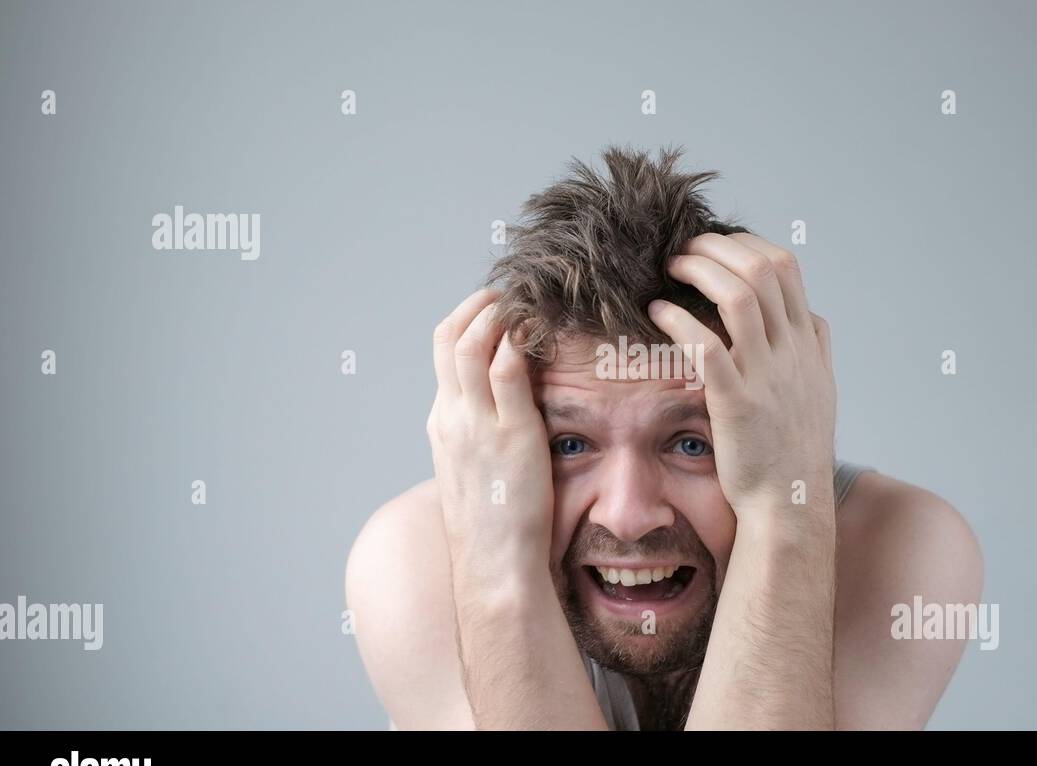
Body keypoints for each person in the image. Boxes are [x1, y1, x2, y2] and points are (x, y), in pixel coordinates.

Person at [345, 145, 983, 730]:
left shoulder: (904, 542)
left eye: (691, 444)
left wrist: (786, 511)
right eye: (570, 444)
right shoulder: (409, 555)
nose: (627, 517)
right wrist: (497, 563)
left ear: (784, 428)